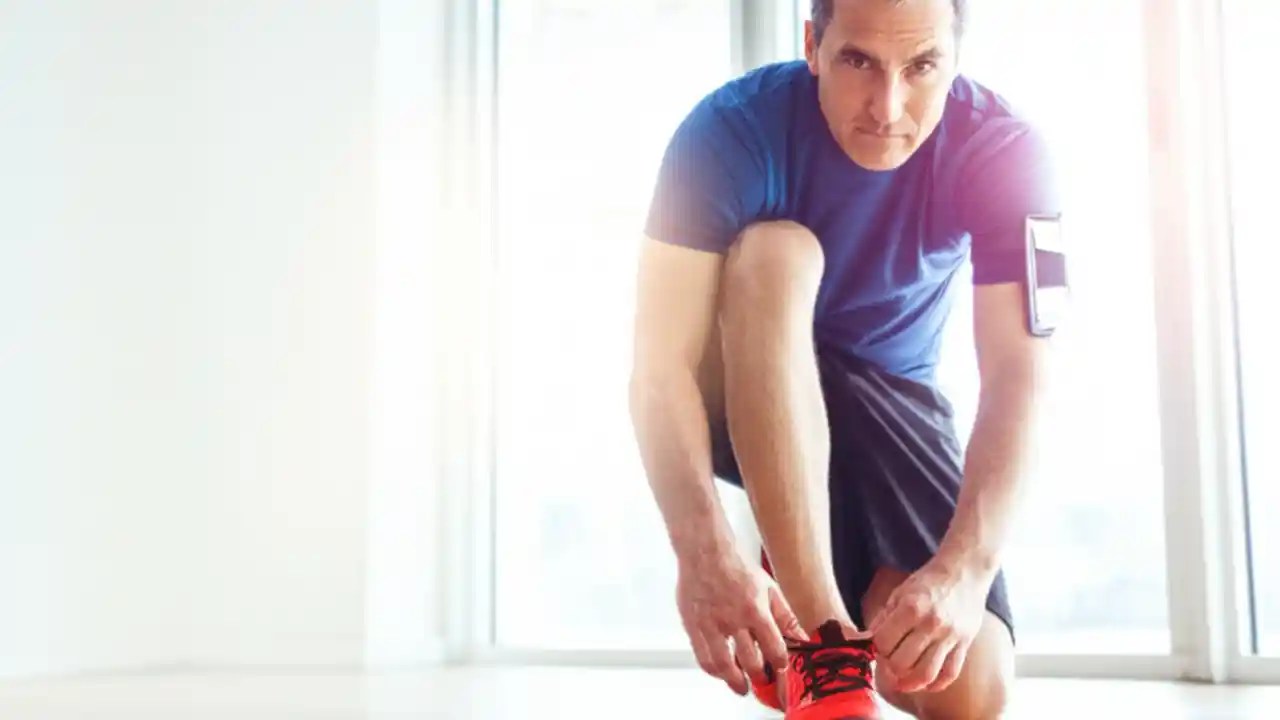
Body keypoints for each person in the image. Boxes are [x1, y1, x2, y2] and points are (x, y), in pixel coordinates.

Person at [628, 0, 1059, 718]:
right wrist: (701, 552)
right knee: (776, 250)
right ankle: (822, 645)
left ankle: (792, 561)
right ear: (813, 46)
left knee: (971, 693)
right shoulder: (727, 132)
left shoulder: (1004, 149)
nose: (887, 108)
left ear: (955, 57)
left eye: (921, 67)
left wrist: (962, 572)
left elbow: (1020, 374)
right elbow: (657, 366)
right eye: (858, 61)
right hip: (733, 384)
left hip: (886, 397)